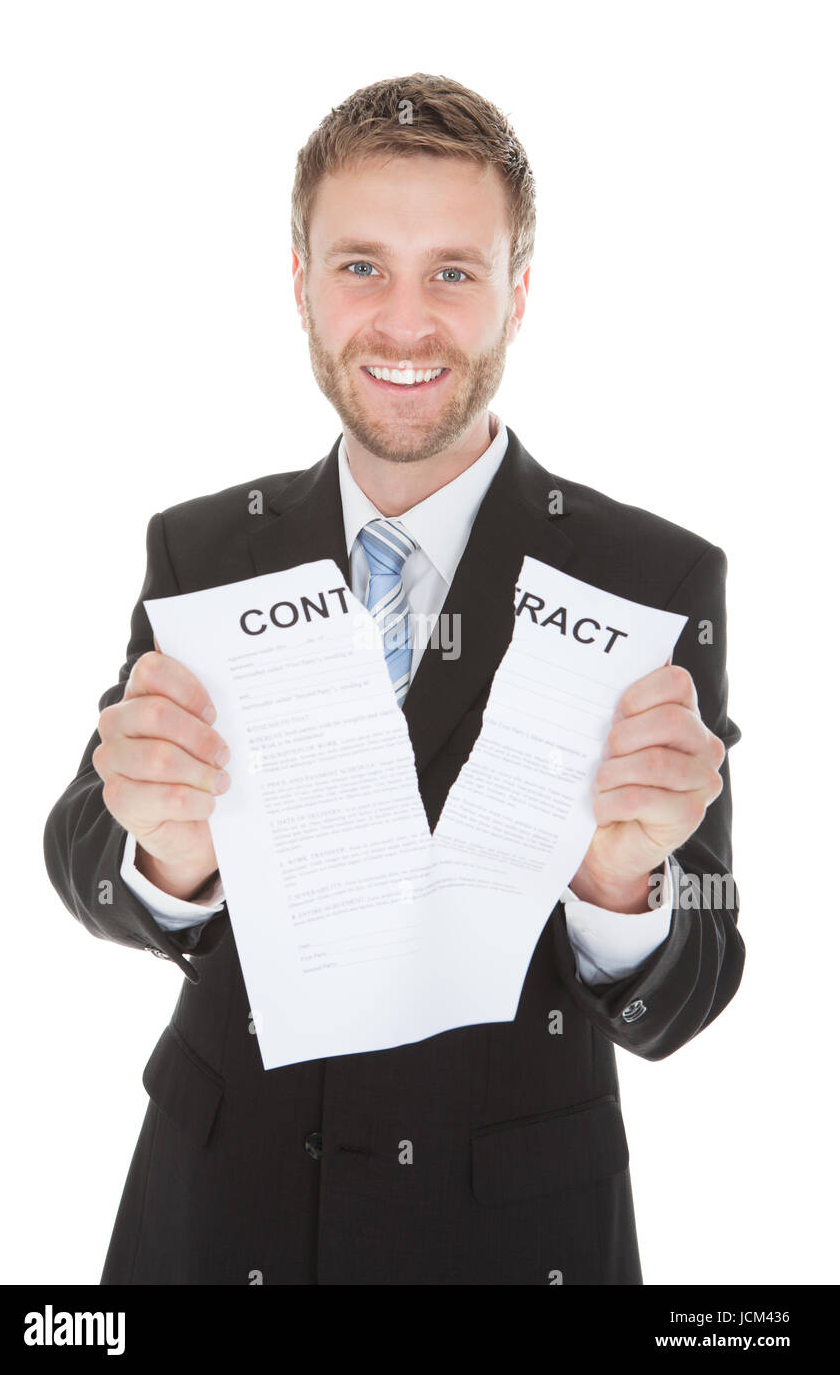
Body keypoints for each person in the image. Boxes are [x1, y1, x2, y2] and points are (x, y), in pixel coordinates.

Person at [43, 73, 743, 1285]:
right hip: (224, 1210)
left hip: (508, 1234)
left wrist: (619, 883)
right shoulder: (206, 549)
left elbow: (694, 981)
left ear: (517, 296)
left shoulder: (647, 575)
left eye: (453, 272)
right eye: (360, 265)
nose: (403, 322)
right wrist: (166, 853)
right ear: (300, 284)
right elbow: (84, 860)